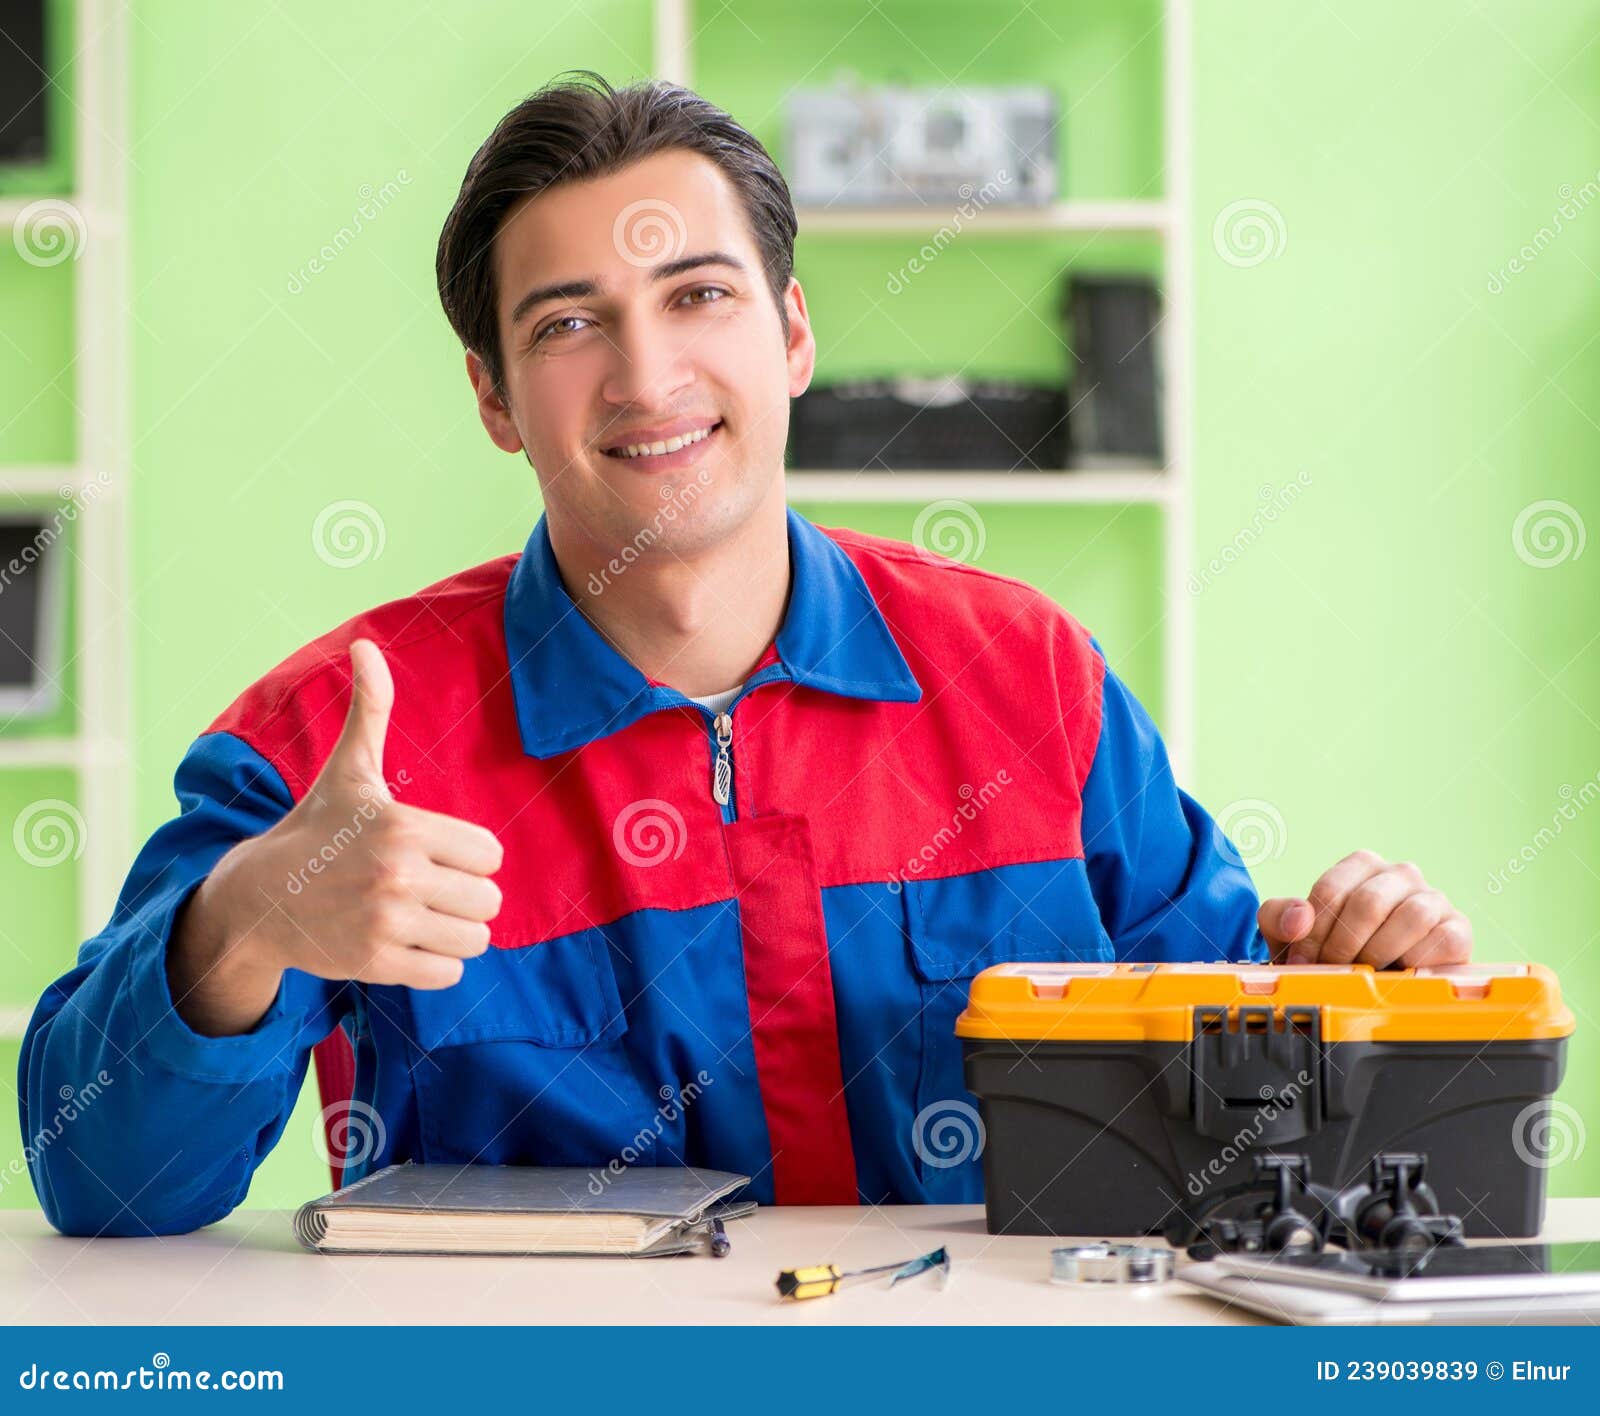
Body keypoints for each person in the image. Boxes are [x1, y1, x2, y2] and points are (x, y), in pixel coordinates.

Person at [19, 73, 1472, 1237]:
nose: (647, 376)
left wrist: (1372, 999)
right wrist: (249, 919)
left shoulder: (1031, 683)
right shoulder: (334, 747)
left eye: (698, 297)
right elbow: (105, 1186)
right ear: (496, 397)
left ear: (790, 332)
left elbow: (1241, 1143)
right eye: (570, 323)